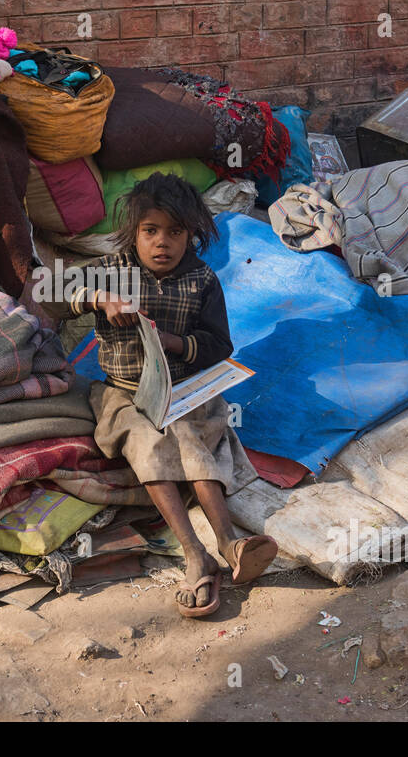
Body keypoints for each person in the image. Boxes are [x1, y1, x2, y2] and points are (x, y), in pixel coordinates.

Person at [67, 173, 278, 617]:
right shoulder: (113, 271)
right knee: (147, 442)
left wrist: (177, 344)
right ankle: (194, 553)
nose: (162, 242)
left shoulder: (202, 280)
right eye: (150, 231)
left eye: (175, 232)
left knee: (188, 437)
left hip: (185, 389)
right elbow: (57, 290)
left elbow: (220, 345)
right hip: (124, 393)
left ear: (192, 235)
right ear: (134, 233)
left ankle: (229, 543)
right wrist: (97, 300)